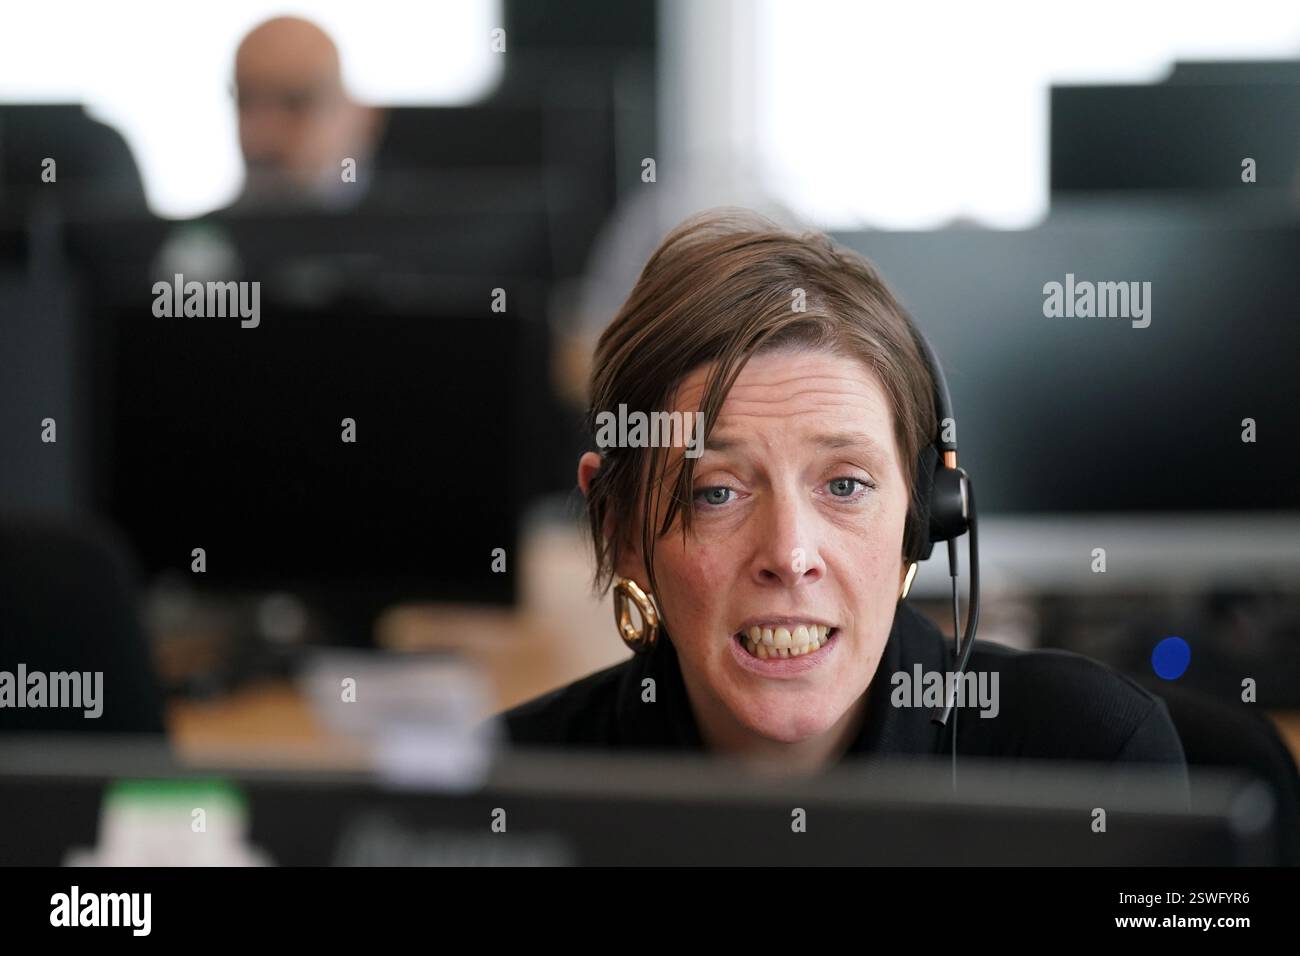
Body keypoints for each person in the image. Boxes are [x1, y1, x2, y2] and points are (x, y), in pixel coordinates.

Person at [500, 207, 1188, 779]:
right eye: (717, 492)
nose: (790, 553)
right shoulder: (505, 787)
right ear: (617, 524)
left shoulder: (1096, 761)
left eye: (845, 484)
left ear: (924, 513)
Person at [227, 16, 383, 212]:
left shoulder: (414, 233)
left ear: (364, 117)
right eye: (246, 101)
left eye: (296, 102)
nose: (263, 134)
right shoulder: (199, 238)